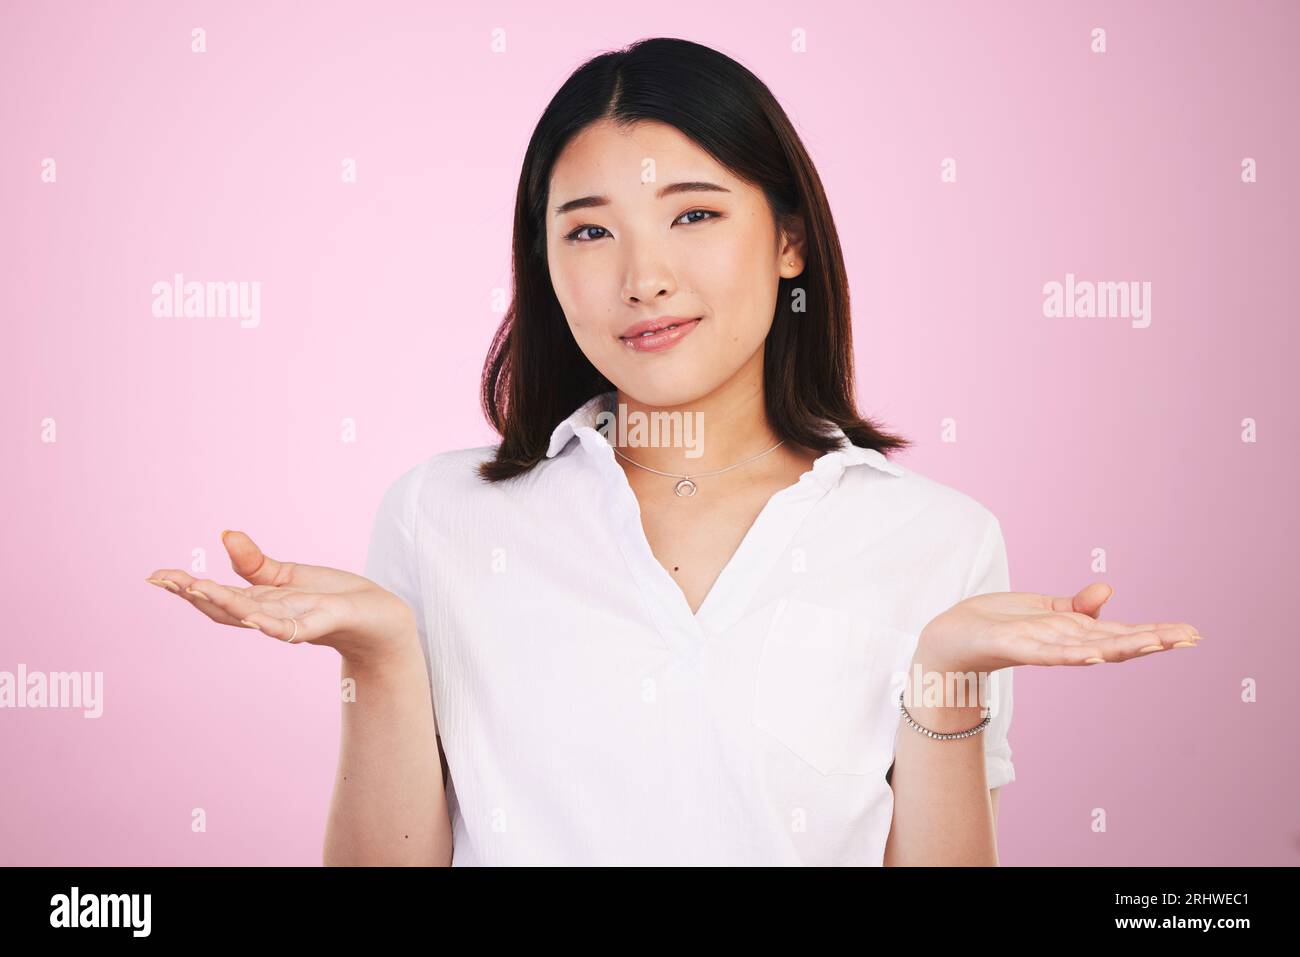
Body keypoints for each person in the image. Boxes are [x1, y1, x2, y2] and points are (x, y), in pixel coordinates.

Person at [145, 37, 1201, 866]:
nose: (640, 278)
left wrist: (943, 683)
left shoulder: (938, 541)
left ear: (788, 240)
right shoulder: (442, 514)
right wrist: (379, 658)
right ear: (544, 265)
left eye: (692, 214)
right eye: (589, 231)